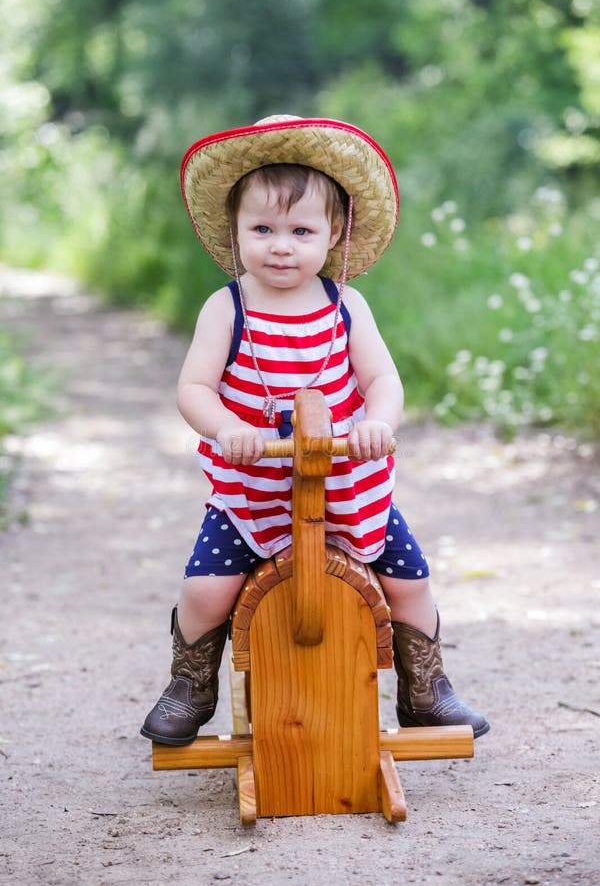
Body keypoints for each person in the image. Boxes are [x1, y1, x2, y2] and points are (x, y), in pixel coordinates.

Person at [141, 115, 489, 746]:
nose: (281, 245)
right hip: (256, 485)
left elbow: (384, 380)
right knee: (205, 589)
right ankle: (189, 683)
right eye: (263, 229)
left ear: (333, 234)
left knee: (409, 580)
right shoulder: (228, 307)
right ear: (236, 231)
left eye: (301, 230)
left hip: (347, 480)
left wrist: (377, 423)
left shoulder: (345, 305)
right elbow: (192, 389)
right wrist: (229, 428)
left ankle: (425, 687)